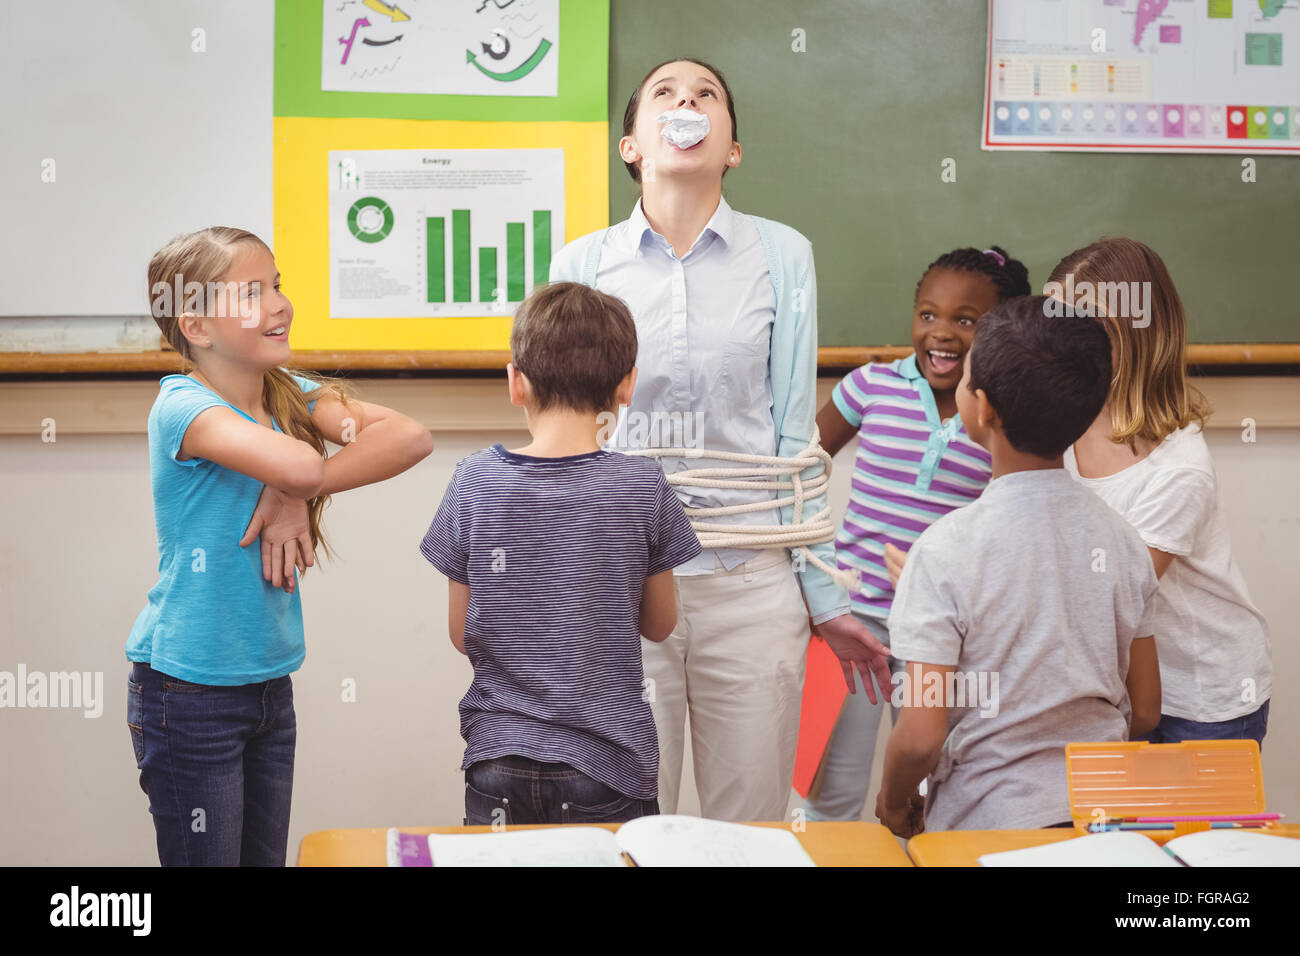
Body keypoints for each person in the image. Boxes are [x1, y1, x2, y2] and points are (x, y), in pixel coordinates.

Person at [549, 57, 891, 822]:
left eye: (707, 95)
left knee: (750, 826)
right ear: (631, 144)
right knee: (631, 816)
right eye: (666, 94)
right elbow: (564, 436)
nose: (688, 103)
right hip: (623, 585)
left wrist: (823, 595)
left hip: (750, 581)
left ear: (732, 147)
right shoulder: (579, 263)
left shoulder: (783, 255)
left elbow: (794, 442)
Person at [128, 226, 433, 865]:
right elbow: (296, 465)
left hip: (267, 683)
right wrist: (296, 480)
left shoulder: (285, 390)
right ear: (198, 326)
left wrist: (299, 494)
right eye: (252, 292)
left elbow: (408, 437)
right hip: (187, 690)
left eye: (277, 286)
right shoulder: (183, 407)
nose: (279, 304)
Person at [876, 295, 1161, 835]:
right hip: (1107, 824)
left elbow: (919, 735)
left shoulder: (942, 551)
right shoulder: (1124, 542)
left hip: (989, 828)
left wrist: (893, 803)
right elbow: (1145, 710)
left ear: (983, 408)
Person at [420, 281, 702, 825]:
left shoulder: (475, 479)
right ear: (627, 387)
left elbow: (462, 633)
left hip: (496, 759)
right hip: (607, 763)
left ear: (515, 383)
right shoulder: (643, 485)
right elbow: (662, 624)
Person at [802, 245, 1030, 822]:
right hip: (853, 626)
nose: (941, 334)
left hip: (938, 635)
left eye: (965, 320)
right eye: (927, 315)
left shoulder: (998, 414)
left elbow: (1011, 522)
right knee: (833, 794)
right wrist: (812, 578)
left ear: (998, 328)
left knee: (926, 791)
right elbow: (795, 476)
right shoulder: (870, 387)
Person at [1050, 237, 1271, 745]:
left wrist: (972, 591)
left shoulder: (1178, 469)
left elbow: (1110, 598)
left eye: (1089, 324)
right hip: (1116, 687)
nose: (1067, 341)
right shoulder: (1057, 429)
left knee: (1194, 829)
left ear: (1140, 332)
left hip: (1199, 701)